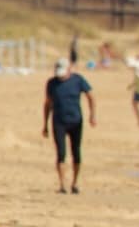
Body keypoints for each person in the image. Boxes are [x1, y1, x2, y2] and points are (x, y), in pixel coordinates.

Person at [43, 60, 96, 194]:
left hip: (76, 121)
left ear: (69, 69)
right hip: (58, 122)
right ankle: (62, 185)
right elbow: (47, 104)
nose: (60, 76)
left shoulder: (78, 80)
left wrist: (92, 115)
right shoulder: (52, 83)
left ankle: (75, 182)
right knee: (61, 153)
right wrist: (45, 124)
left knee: (76, 152)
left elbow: (91, 96)